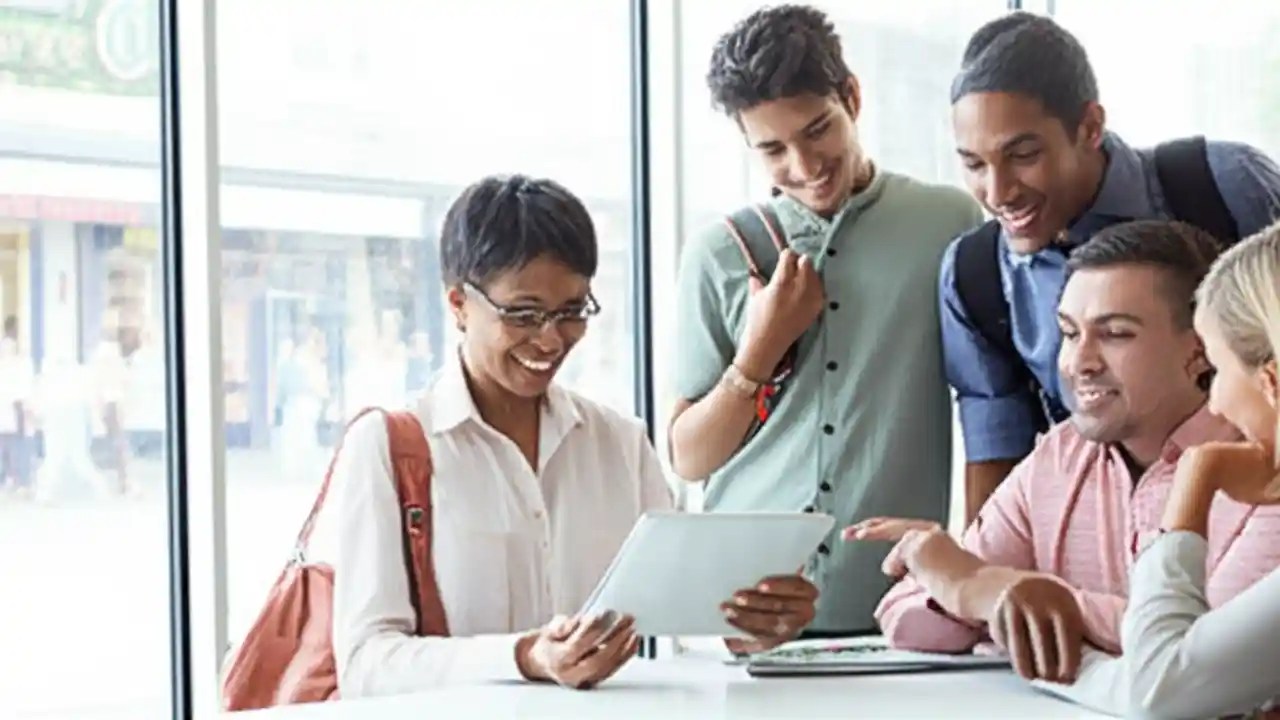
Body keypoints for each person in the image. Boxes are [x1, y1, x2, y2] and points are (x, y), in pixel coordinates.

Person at [316, 175, 818, 697]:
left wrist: (753, 627)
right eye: (524, 313)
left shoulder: (618, 442)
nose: (551, 338)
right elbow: (366, 663)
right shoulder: (387, 446)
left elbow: (684, 613)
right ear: (459, 304)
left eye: (572, 311)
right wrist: (527, 656)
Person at [669, 4, 983, 635]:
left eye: (817, 130)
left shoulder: (950, 225)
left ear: (852, 98)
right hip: (745, 611)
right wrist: (759, 351)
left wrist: (976, 565)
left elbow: (990, 402)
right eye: (773, 149)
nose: (804, 165)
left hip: (894, 609)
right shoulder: (717, 254)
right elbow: (689, 457)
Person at [865, 221, 1280, 681]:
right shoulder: (1059, 457)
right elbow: (908, 615)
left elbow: (1207, 653)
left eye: (1116, 334)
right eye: (1068, 332)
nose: (1080, 362)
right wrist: (980, 592)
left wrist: (1000, 589)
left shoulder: (1263, 465)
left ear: (1201, 349)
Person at [942, 12, 1280, 521]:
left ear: (1091, 126)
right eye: (973, 164)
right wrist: (974, 576)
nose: (997, 192)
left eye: (1024, 154)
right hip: (1107, 538)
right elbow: (999, 459)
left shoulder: (1221, 186)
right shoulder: (975, 275)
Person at [1039, 223, 1280, 719]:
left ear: (1271, 383)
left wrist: (1196, 480)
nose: (1213, 399)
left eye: (1215, 369)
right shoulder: (1058, 455)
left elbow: (1158, 693)